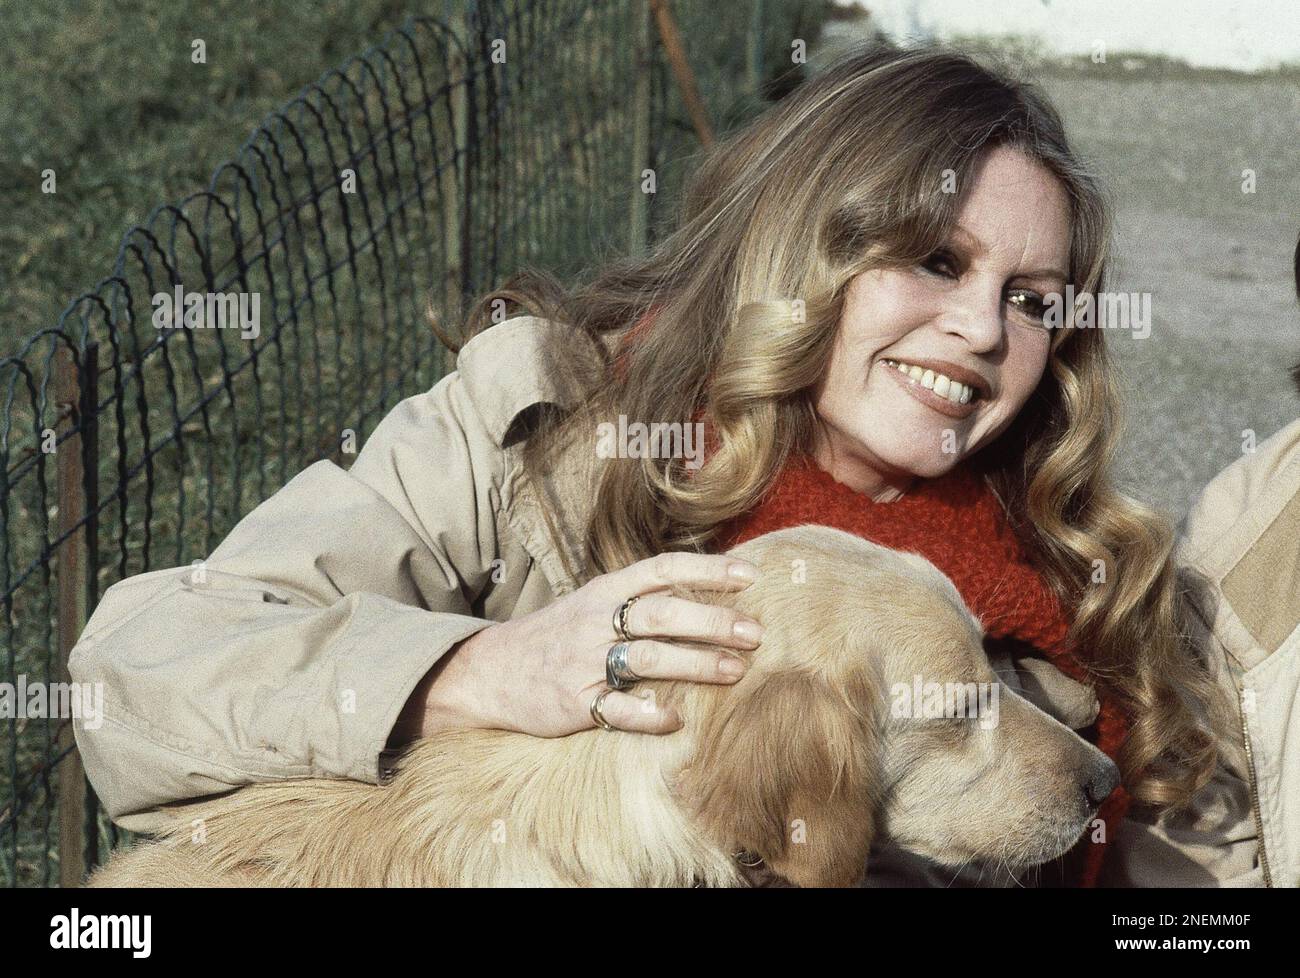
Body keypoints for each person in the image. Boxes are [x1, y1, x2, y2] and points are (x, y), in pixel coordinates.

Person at [70, 44, 1299, 886]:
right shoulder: (544, 431)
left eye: (1030, 299)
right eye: (933, 261)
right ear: (801, 246)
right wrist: (481, 667)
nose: (984, 330)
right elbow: (136, 673)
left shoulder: (1085, 554)